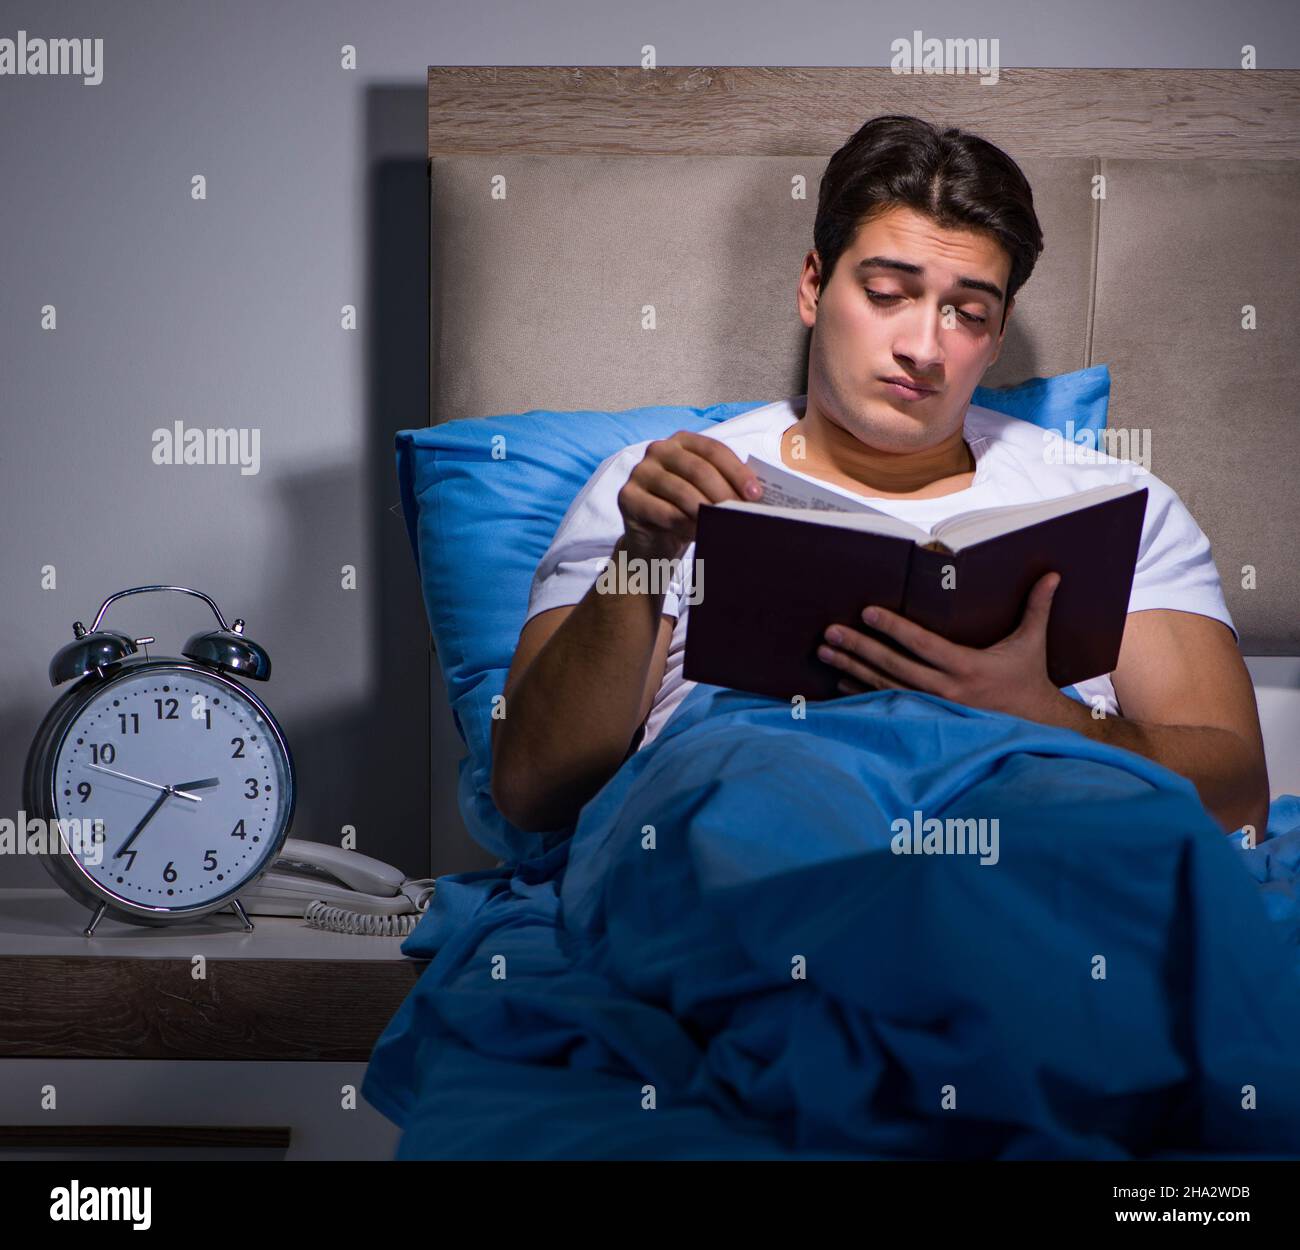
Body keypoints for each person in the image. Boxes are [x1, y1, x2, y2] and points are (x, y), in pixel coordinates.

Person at [491, 114, 1270, 840]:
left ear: (997, 337)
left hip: (1028, 847)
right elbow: (532, 792)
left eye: (967, 313)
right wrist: (647, 555)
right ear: (813, 286)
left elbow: (1240, 795)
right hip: (752, 843)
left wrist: (1048, 720)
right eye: (888, 294)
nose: (924, 348)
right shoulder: (664, 489)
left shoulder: (1112, 504)